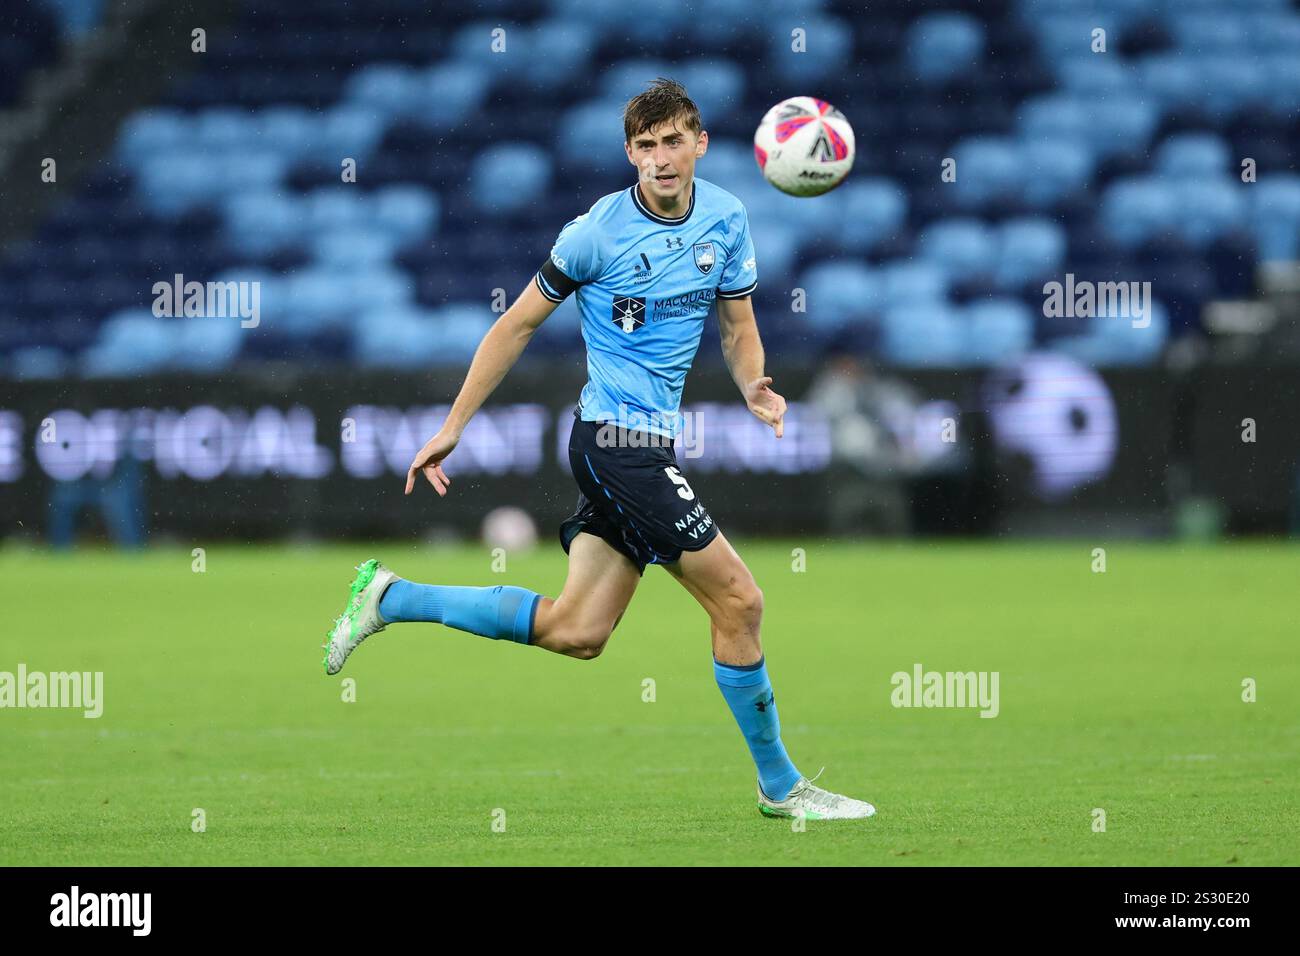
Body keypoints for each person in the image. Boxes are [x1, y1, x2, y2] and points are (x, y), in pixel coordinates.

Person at [322, 78, 875, 820]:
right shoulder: (595, 234)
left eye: (674, 140)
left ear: (701, 143)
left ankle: (391, 597)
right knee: (741, 601)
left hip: (648, 446)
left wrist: (752, 389)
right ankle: (782, 786)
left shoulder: (728, 217)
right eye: (645, 146)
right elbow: (514, 325)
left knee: (577, 632)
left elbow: (738, 327)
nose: (661, 158)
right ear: (629, 154)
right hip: (615, 445)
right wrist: (454, 424)